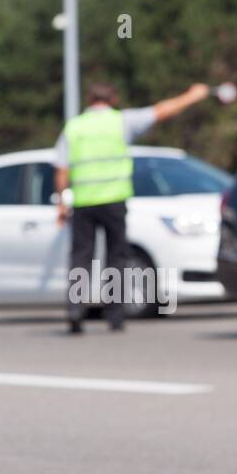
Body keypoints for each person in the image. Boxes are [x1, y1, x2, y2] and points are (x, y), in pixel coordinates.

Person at [54, 81, 211, 333]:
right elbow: (162, 111)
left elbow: (61, 169)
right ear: (113, 99)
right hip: (114, 200)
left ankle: (75, 310)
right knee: (116, 258)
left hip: (83, 202)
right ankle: (115, 315)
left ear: (89, 99)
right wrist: (192, 96)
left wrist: (62, 202)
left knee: (80, 258)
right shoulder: (121, 121)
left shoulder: (74, 127)